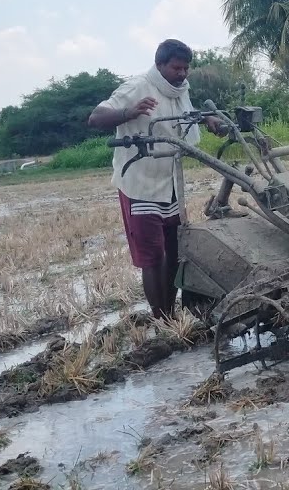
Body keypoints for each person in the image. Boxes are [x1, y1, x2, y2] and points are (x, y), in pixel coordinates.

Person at [87, 39, 227, 321]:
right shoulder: (136, 87)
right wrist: (130, 112)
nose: (182, 73)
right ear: (160, 64)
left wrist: (207, 119)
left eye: (186, 68)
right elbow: (96, 117)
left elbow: (183, 116)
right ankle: (160, 317)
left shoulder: (179, 91)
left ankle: (171, 313)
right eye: (177, 67)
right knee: (153, 257)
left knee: (175, 253)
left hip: (170, 184)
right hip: (140, 184)